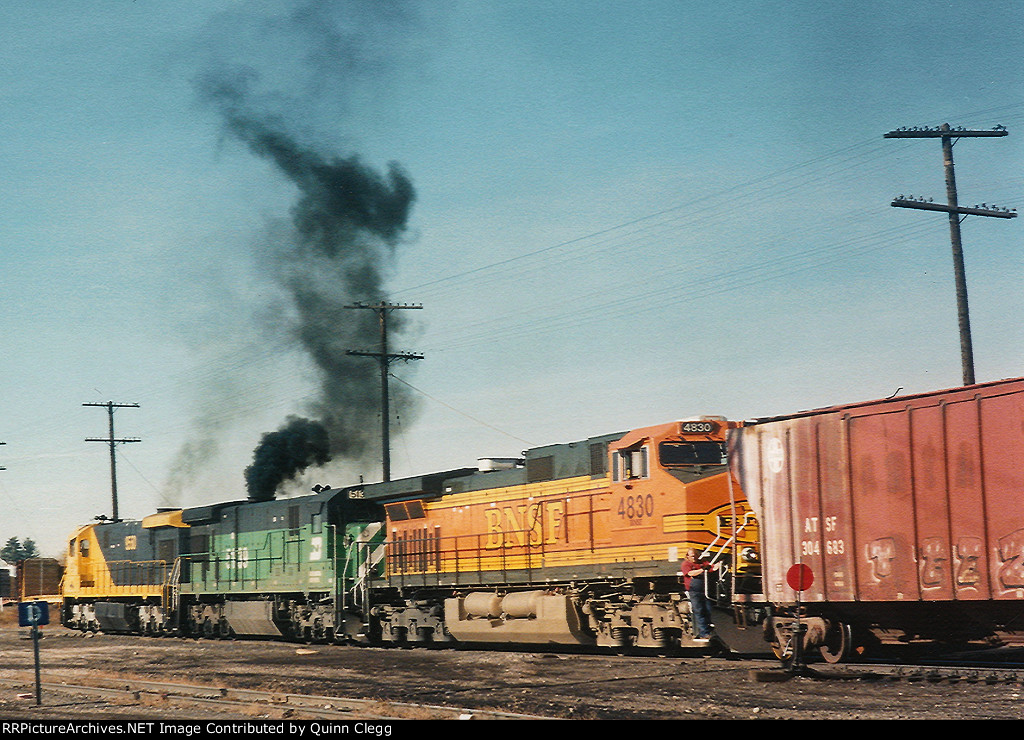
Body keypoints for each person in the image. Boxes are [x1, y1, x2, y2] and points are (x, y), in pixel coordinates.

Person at [679, 548, 719, 640]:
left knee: (709, 609)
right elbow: (690, 573)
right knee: (699, 610)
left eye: (696, 555)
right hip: (694, 590)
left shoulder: (702, 563)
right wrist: (703, 569)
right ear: (687, 556)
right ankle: (703, 633)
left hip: (705, 590)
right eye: (692, 556)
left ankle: (711, 630)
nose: (694, 557)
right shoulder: (686, 564)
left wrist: (718, 565)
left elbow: (712, 567)